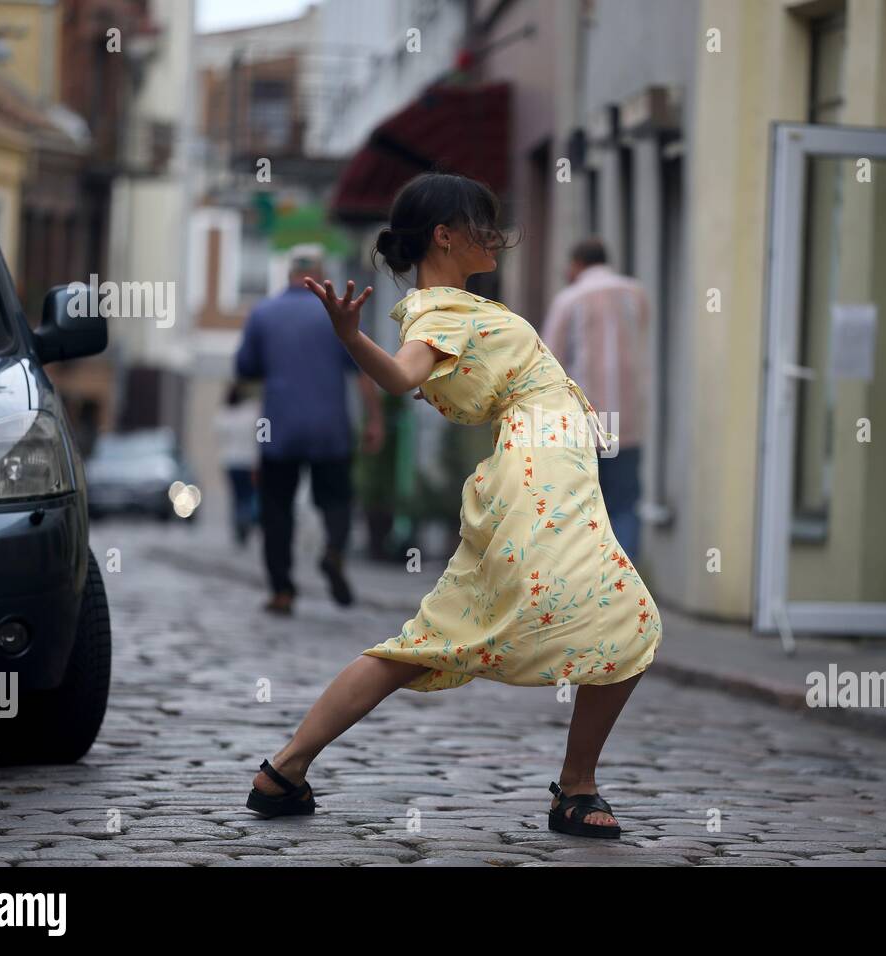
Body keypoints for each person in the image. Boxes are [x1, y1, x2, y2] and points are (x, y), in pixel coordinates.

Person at [245, 173, 662, 838]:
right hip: (539, 471)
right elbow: (405, 372)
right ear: (444, 234)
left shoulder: (457, 305)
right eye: (482, 223)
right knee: (629, 616)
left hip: (543, 465)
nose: (496, 236)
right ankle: (576, 788)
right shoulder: (439, 312)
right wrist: (352, 340)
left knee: (429, 642)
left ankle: (284, 771)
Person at [235, 247, 384, 616]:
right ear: (319, 276)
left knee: (276, 509)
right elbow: (365, 369)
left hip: (278, 430)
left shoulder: (263, 314)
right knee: (336, 500)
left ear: (288, 275)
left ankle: (282, 590)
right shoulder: (337, 316)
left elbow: (246, 367)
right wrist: (375, 420)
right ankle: (333, 551)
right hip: (329, 429)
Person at [541, 238, 651, 562]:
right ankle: (627, 587)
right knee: (625, 503)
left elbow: (548, 360)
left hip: (584, 422)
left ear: (576, 264)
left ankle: (588, 587)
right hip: (627, 421)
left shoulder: (569, 299)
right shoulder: (636, 294)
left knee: (580, 505)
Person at [213, 382, 261, 546]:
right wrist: (266, 446)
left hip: (230, 461)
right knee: (248, 496)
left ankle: (239, 526)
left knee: (236, 496)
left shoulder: (223, 415)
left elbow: (219, 437)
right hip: (249, 461)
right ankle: (244, 525)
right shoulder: (253, 411)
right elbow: (264, 429)